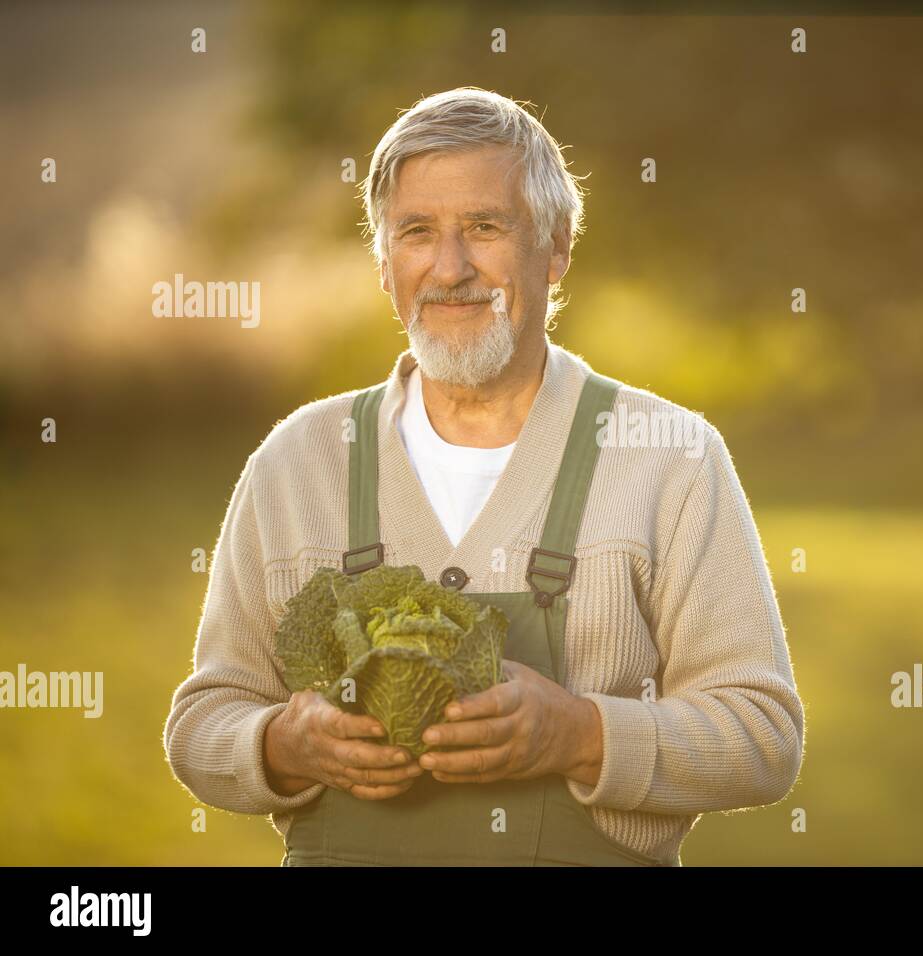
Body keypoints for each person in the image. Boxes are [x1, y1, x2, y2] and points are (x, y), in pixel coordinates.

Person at [163, 87, 804, 866]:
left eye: (486, 228)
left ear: (557, 247)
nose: (451, 268)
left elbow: (763, 739)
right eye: (417, 233)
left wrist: (580, 735)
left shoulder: (669, 455)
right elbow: (202, 724)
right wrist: (283, 744)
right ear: (385, 260)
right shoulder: (298, 462)